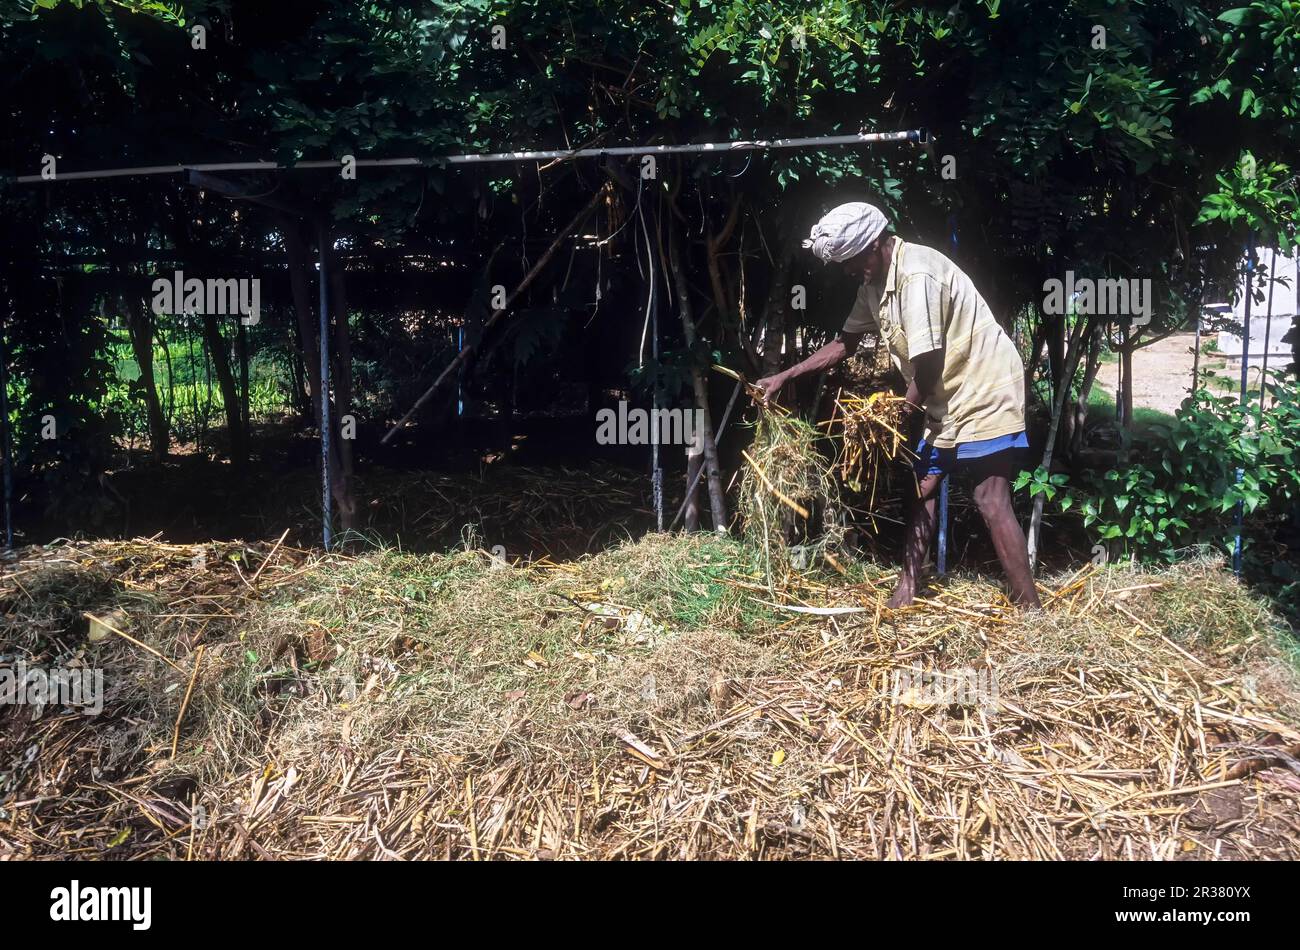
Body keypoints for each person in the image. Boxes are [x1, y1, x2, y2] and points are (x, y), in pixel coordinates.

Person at [756, 202, 1041, 609]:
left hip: (985, 384)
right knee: (923, 485)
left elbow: (927, 363)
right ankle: (905, 592)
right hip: (945, 390)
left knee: (989, 498)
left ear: (875, 245)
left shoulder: (916, 275)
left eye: (851, 261)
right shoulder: (874, 284)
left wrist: (897, 414)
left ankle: (1032, 613)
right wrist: (785, 375)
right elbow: (845, 343)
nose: (848, 270)